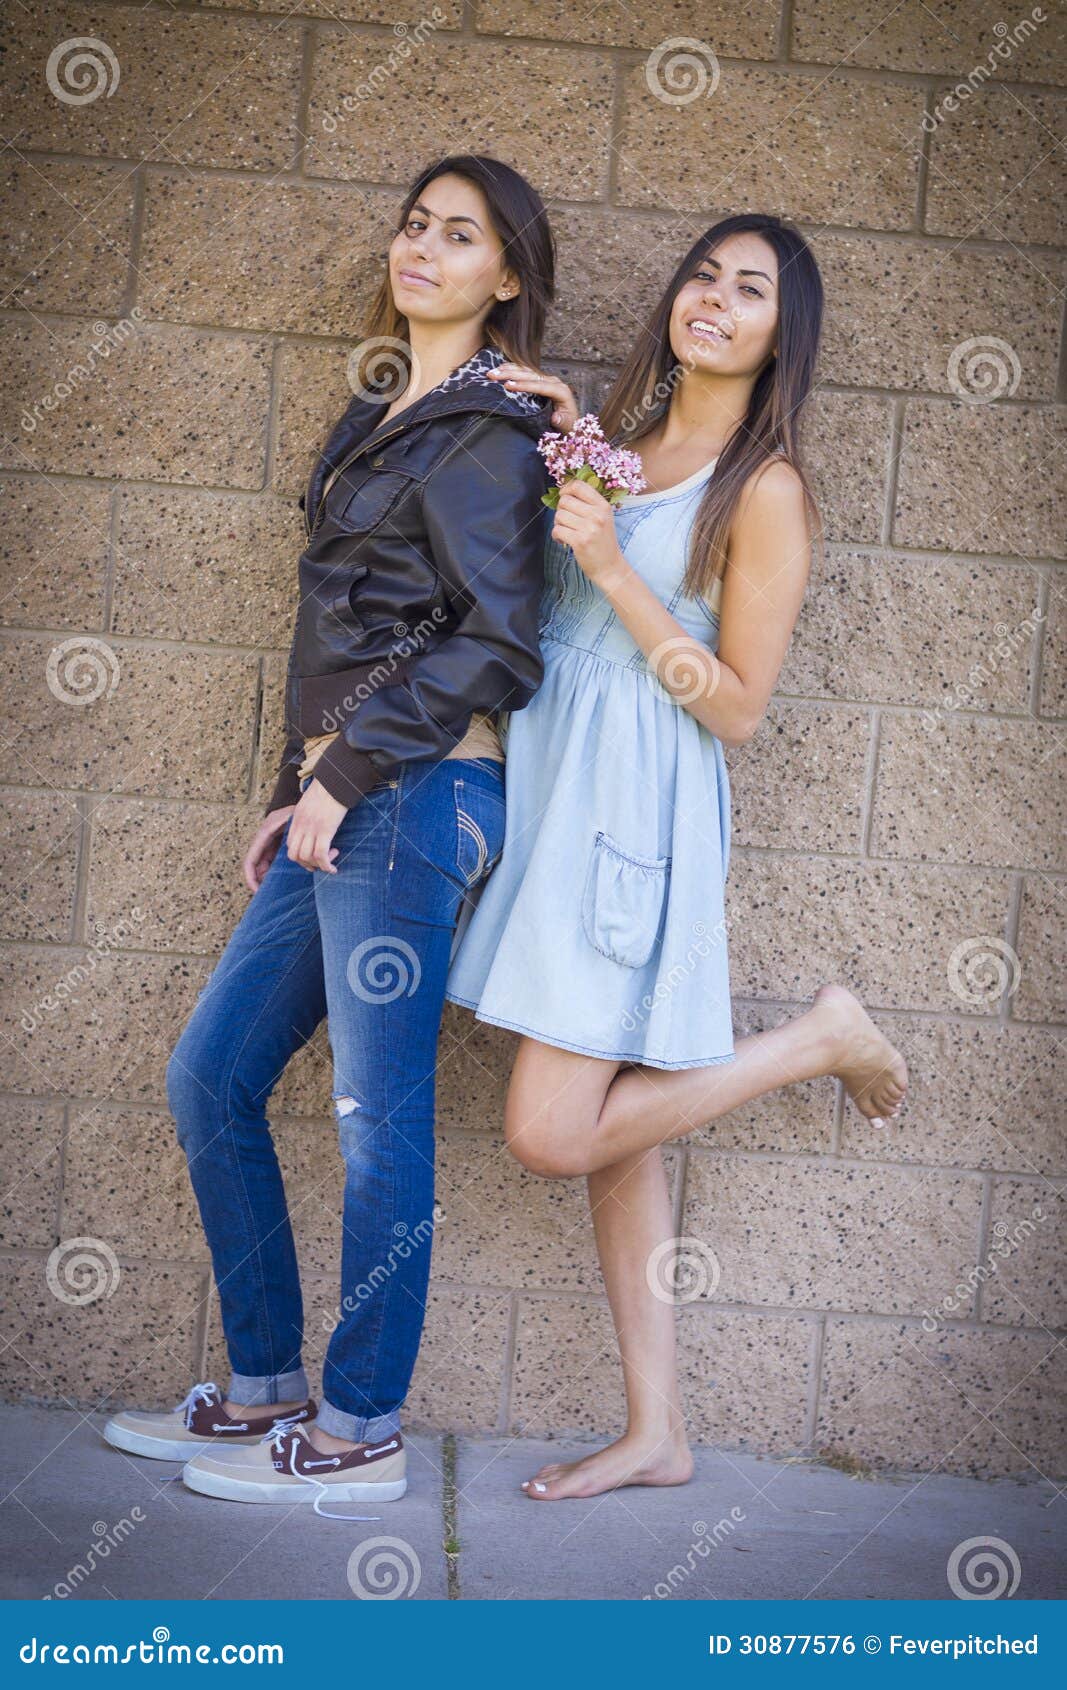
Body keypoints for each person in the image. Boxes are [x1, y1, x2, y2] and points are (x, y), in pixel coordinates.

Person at [102, 154, 556, 1509]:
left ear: (507, 277)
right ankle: (264, 1392)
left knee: (375, 1119)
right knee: (211, 1077)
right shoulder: (384, 408)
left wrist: (346, 770)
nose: (422, 246)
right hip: (341, 797)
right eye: (415, 223)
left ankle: (361, 1430)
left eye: (459, 234)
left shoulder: (485, 429)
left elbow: (499, 638)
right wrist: (284, 782)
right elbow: (335, 631)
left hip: (412, 797)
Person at [444, 212, 910, 1502]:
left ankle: (816, 1039)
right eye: (704, 273)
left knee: (553, 1133)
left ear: (780, 338)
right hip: (552, 800)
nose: (714, 298)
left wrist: (611, 564)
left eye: (749, 290)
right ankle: (661, 1430)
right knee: (620, 1139)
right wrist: (557, 436)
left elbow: (743, 706)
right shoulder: (628, 451)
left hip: (629, 822)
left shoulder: (763, 492)